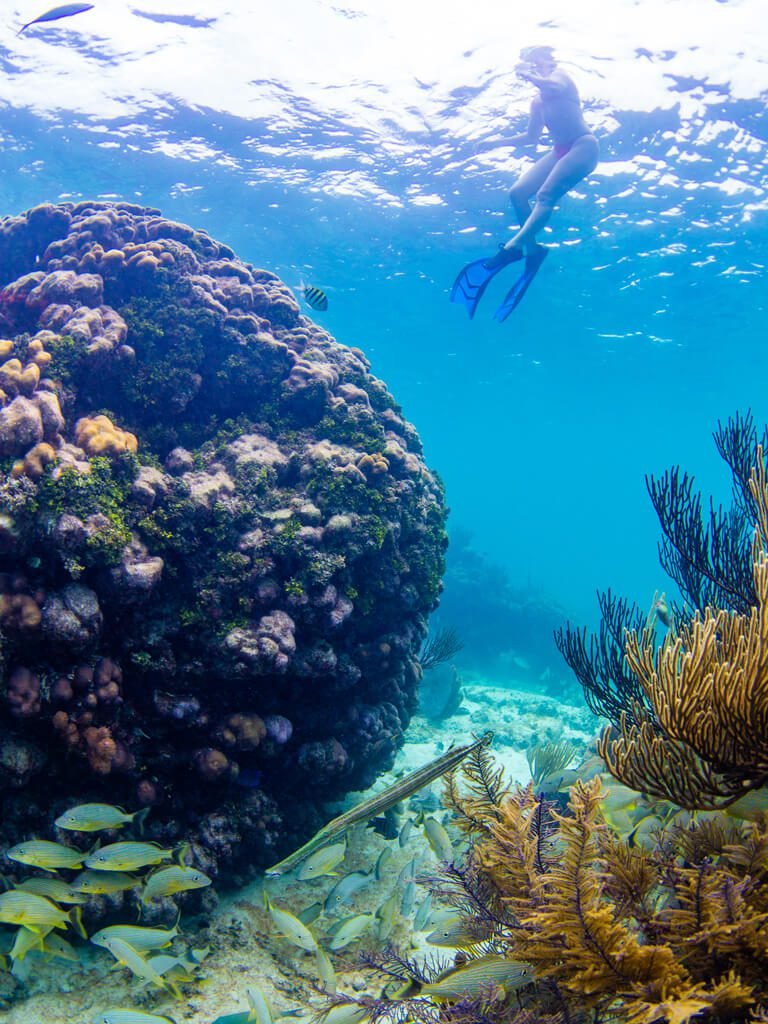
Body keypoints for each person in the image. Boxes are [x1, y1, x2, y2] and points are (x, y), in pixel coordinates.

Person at [450, 45, 599, 321]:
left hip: (583, 146)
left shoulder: (561, 76)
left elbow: (550, 83)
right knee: (517, 193)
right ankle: (533, 250)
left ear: (548, 60)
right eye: (529, 62)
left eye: (536, 61)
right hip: (560, 149)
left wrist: (530, 74)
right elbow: (531, 137)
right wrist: (493, 142)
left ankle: (512, 249)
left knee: (545, 196)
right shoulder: (537, 101)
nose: (533, 66)